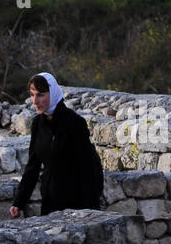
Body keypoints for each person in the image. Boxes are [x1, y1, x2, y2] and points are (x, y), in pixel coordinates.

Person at [10, 72, 104, 218]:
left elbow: (89, 169)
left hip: (76, 206)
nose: (35, 101)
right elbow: (33, 166)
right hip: (49, 204)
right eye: (32, 94)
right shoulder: (37, 124)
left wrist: (91, 212)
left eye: (40, 95)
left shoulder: (74, 123)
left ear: (52, 93)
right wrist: (19, 202)